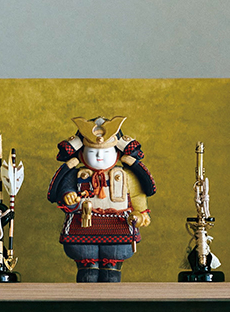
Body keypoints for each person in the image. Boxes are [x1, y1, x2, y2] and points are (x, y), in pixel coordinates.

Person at [46, 116, 156, 282]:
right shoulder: (75, 174)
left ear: (117, 153)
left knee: (111, 274)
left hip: (118, 228)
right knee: (88, 273)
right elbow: (63, 191)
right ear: (82, 154)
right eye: (92, 152)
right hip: (82, 228)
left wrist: (140, 214)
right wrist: (68, 196)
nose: (99, 156)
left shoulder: (127, 176)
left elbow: (137, 197)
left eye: (106, 152)